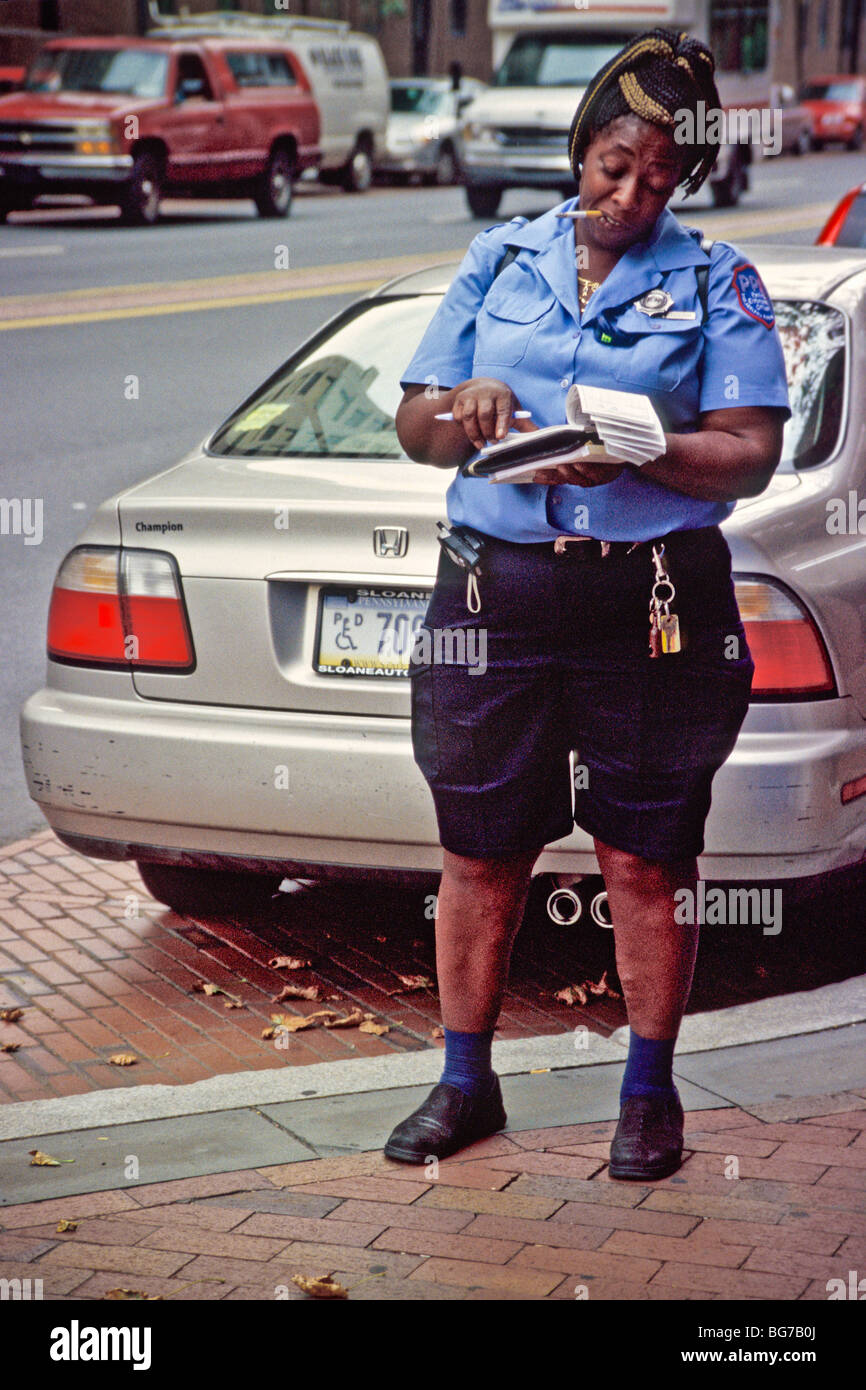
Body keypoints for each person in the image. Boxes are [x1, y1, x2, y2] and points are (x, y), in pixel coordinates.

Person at [386, 29, 790, 1179]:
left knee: (644, 858)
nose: (630, 193)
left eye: (661, 177)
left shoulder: (718, 281)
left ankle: (648, 1094)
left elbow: (748, 454)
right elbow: (413, 426)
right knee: (478, 849)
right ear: (581, 147)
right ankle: (464, 1081)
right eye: (615, 163)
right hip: (491, 596)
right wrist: (461, 408)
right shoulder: (496, 259)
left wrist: (642, 450)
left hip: (650, 603)